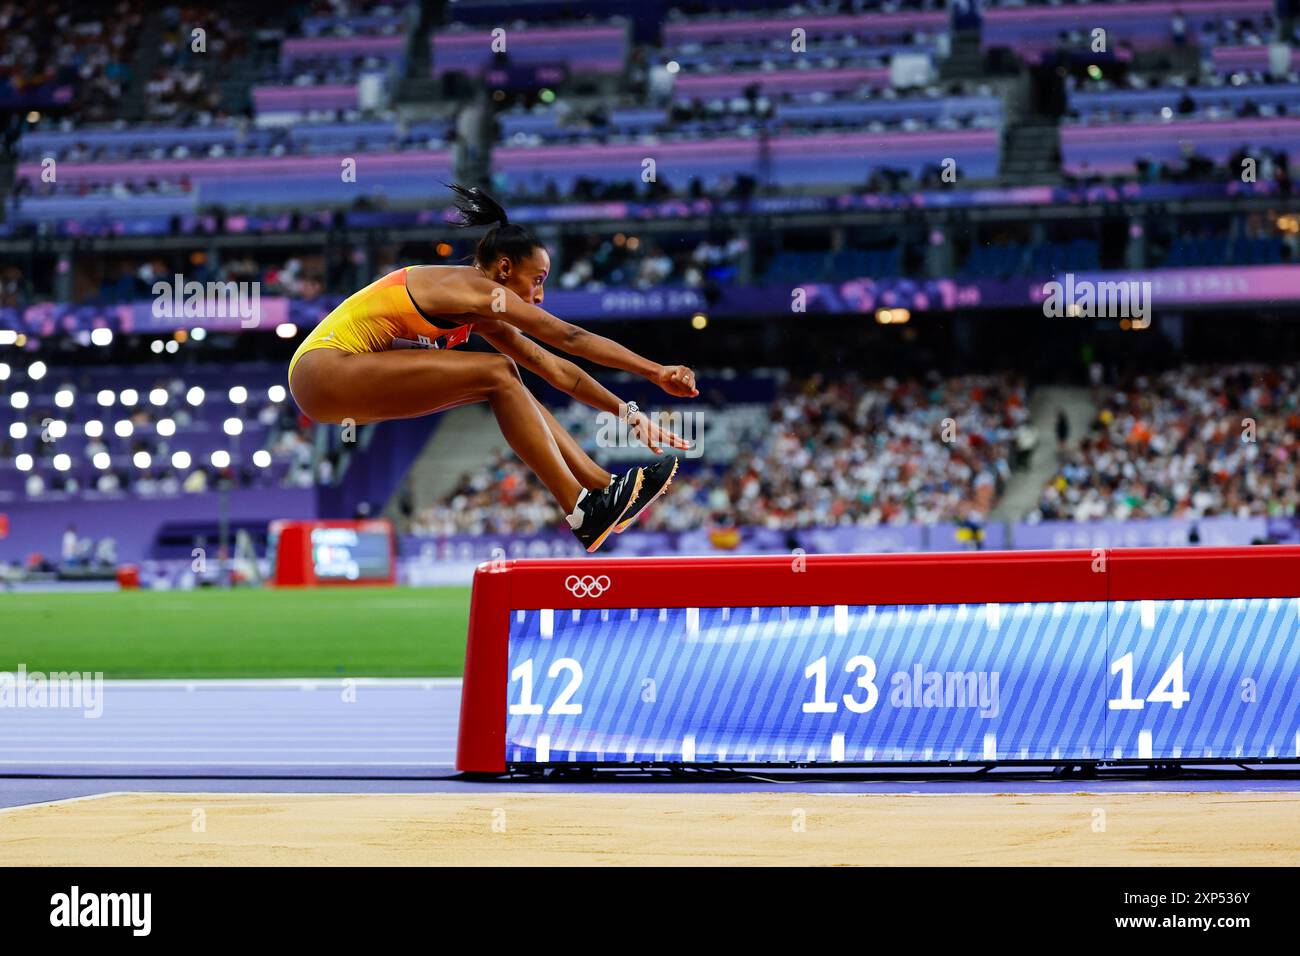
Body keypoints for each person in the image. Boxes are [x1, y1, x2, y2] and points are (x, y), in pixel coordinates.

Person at [288, 184, 697, 552]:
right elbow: (569, 338)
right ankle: (582, 508)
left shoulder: (479, 311)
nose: (538, 297)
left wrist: (628, 413)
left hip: (337, 387)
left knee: (509, 378)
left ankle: (601, 488)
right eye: (536, 280)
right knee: (499, 370)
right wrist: (654, 371)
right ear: (503, 269)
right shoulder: (468, 287)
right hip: (323, 369)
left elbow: (555, 369)